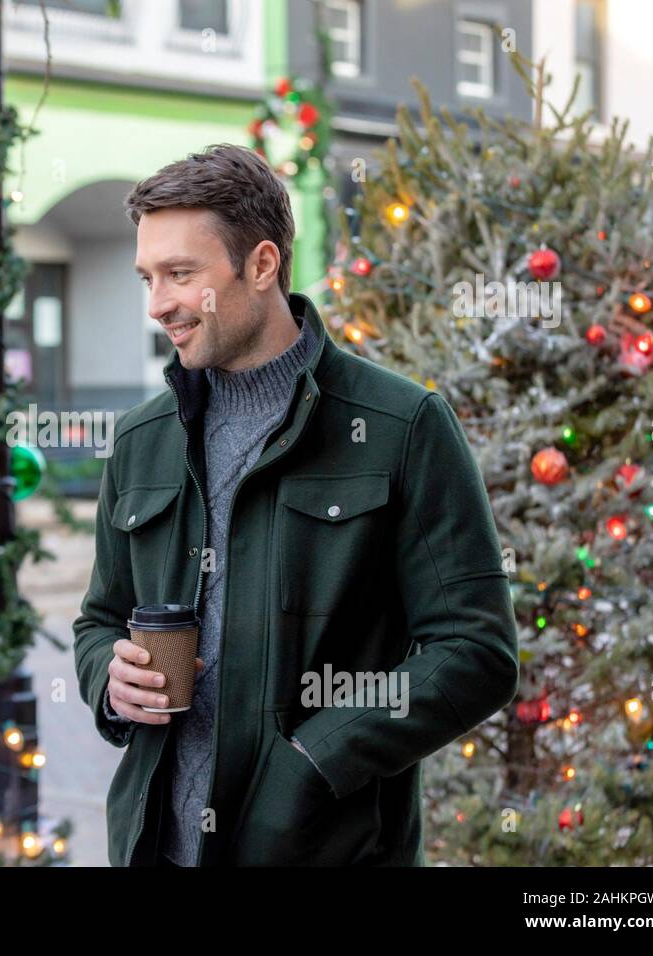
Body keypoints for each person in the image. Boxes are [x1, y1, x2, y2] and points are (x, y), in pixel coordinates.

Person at [73, 144, 518, 866]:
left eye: (182, 274)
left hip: (324, 850)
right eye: (148, 278)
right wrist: (108, 678)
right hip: (155, 847)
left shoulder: (401, 426)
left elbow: (475, 652)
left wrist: (313, 760)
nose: (158, 305)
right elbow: (101, 617)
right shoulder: (141, 439)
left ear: (262, 264)